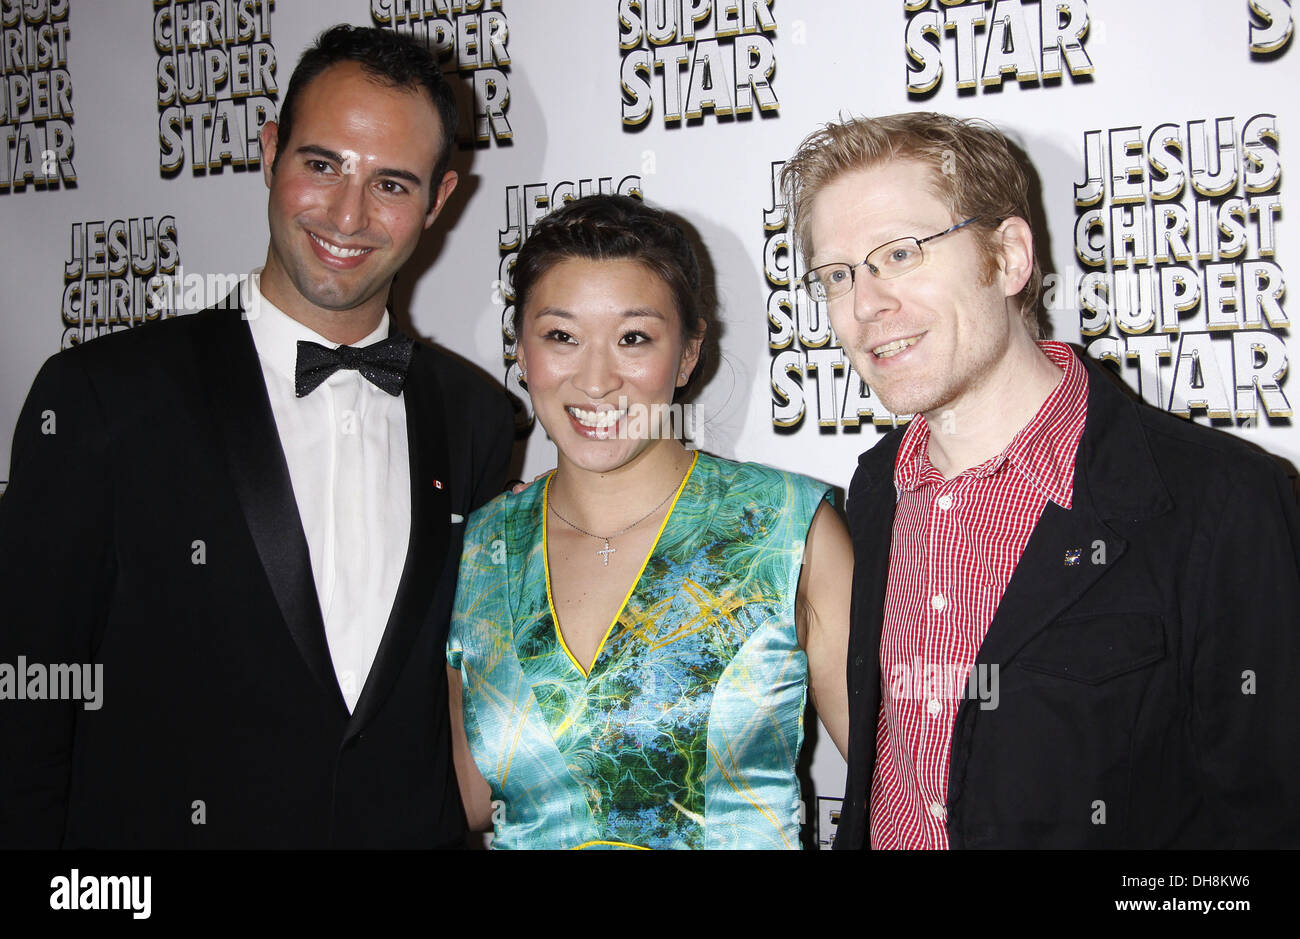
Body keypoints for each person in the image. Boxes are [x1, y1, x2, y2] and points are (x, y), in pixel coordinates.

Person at [0, 25, 514, 848]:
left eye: (390, 182)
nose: (349, 214)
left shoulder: (477, 418)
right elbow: (24, 710)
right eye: (322, 164)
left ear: (439, 199)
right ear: (271, 152)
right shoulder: (102, 398)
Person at [780, 111, 1300, 849]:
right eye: (839, 274)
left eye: (899, 254)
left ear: (1010, 256)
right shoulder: (874, 489)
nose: (865, 305)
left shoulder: (1220, 502)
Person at [446, 194, 851, 849]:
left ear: (688, 355)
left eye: (634, 338)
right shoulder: (480, 549)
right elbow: (463, 799)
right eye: (561, 336)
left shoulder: (787, 530)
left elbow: (905, 791)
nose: (599, 379)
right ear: (521, 350)